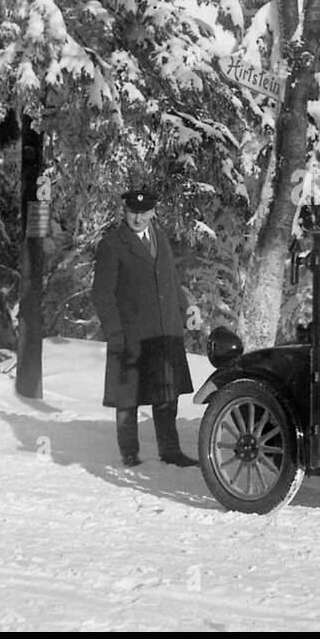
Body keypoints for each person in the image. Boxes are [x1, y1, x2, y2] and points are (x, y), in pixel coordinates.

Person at [91, 189, 196, 467]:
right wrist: (116, 333)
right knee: (128, 396)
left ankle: (170, 451)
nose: (138, 218)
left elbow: (172, 280)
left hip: (164, 331)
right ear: (125, 212)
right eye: (133, 212)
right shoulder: (112, 244)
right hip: (131, 334)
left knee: (167, 394)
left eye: (144, 212)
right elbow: (102, 294)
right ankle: (129, 453)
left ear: (152, 212)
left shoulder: (159, 239)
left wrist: (184, 313)